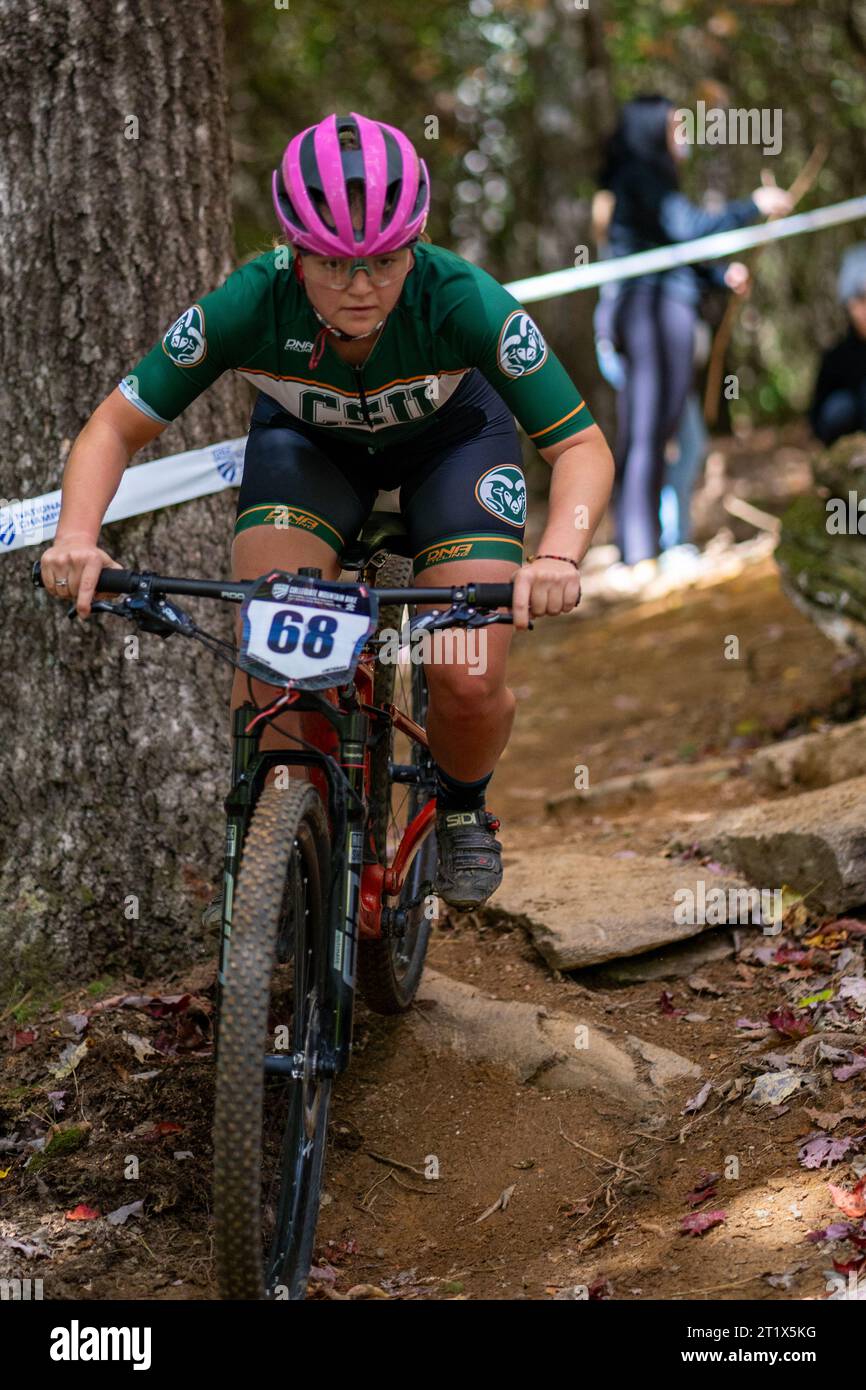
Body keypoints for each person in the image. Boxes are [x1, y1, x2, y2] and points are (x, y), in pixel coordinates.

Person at [39, 112, 614, 912]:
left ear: (415, 244)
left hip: (455, 450)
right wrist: (76, 538)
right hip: (311, 454)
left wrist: (557, 557)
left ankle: (460, 806)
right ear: (294, 252)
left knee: (468, 674)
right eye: (333, 265)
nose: (361, 287)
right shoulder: (250, 301)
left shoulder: (462, 299)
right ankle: (295, 838)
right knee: (276, 674)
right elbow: (113, 426)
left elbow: (582, 447)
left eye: (384, 262)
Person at [594, 94, 791, 574]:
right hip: (649, 312)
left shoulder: (649, 180)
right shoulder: (640, 178)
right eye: (676, 126)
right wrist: (754, 206)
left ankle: (647, 546)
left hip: (665, 306)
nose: (685, 136)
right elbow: (688, 229)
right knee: (647, 430)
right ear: (652, 130)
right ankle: (639, 551)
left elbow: (672, 248)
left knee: (663, 430)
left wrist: (716, 276)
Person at [810, 243, 866, 446]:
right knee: (840, 408)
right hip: (847, 446)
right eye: (861, 300)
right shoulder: (836, 358)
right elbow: (819, 419)